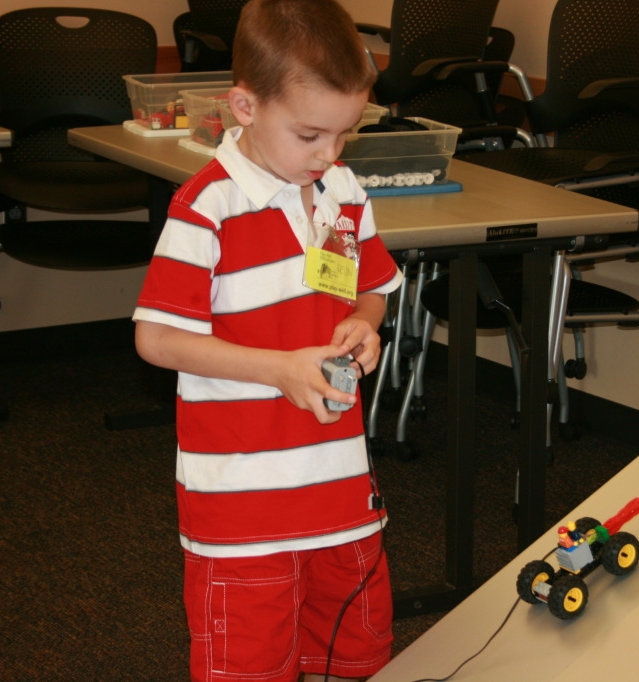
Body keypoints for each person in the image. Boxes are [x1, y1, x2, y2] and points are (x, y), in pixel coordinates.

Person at [133, 0, 404, 679]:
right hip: (242, 501)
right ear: (245, 107)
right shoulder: (207, 208)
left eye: (345, 134)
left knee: (350, 654)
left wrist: (363, 324)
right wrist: (278, 369)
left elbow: (372, 286)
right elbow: (157, 339)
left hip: (337, 488)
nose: (329, 154)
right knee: (251, 664)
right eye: (310, 134)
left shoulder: (342, 191)